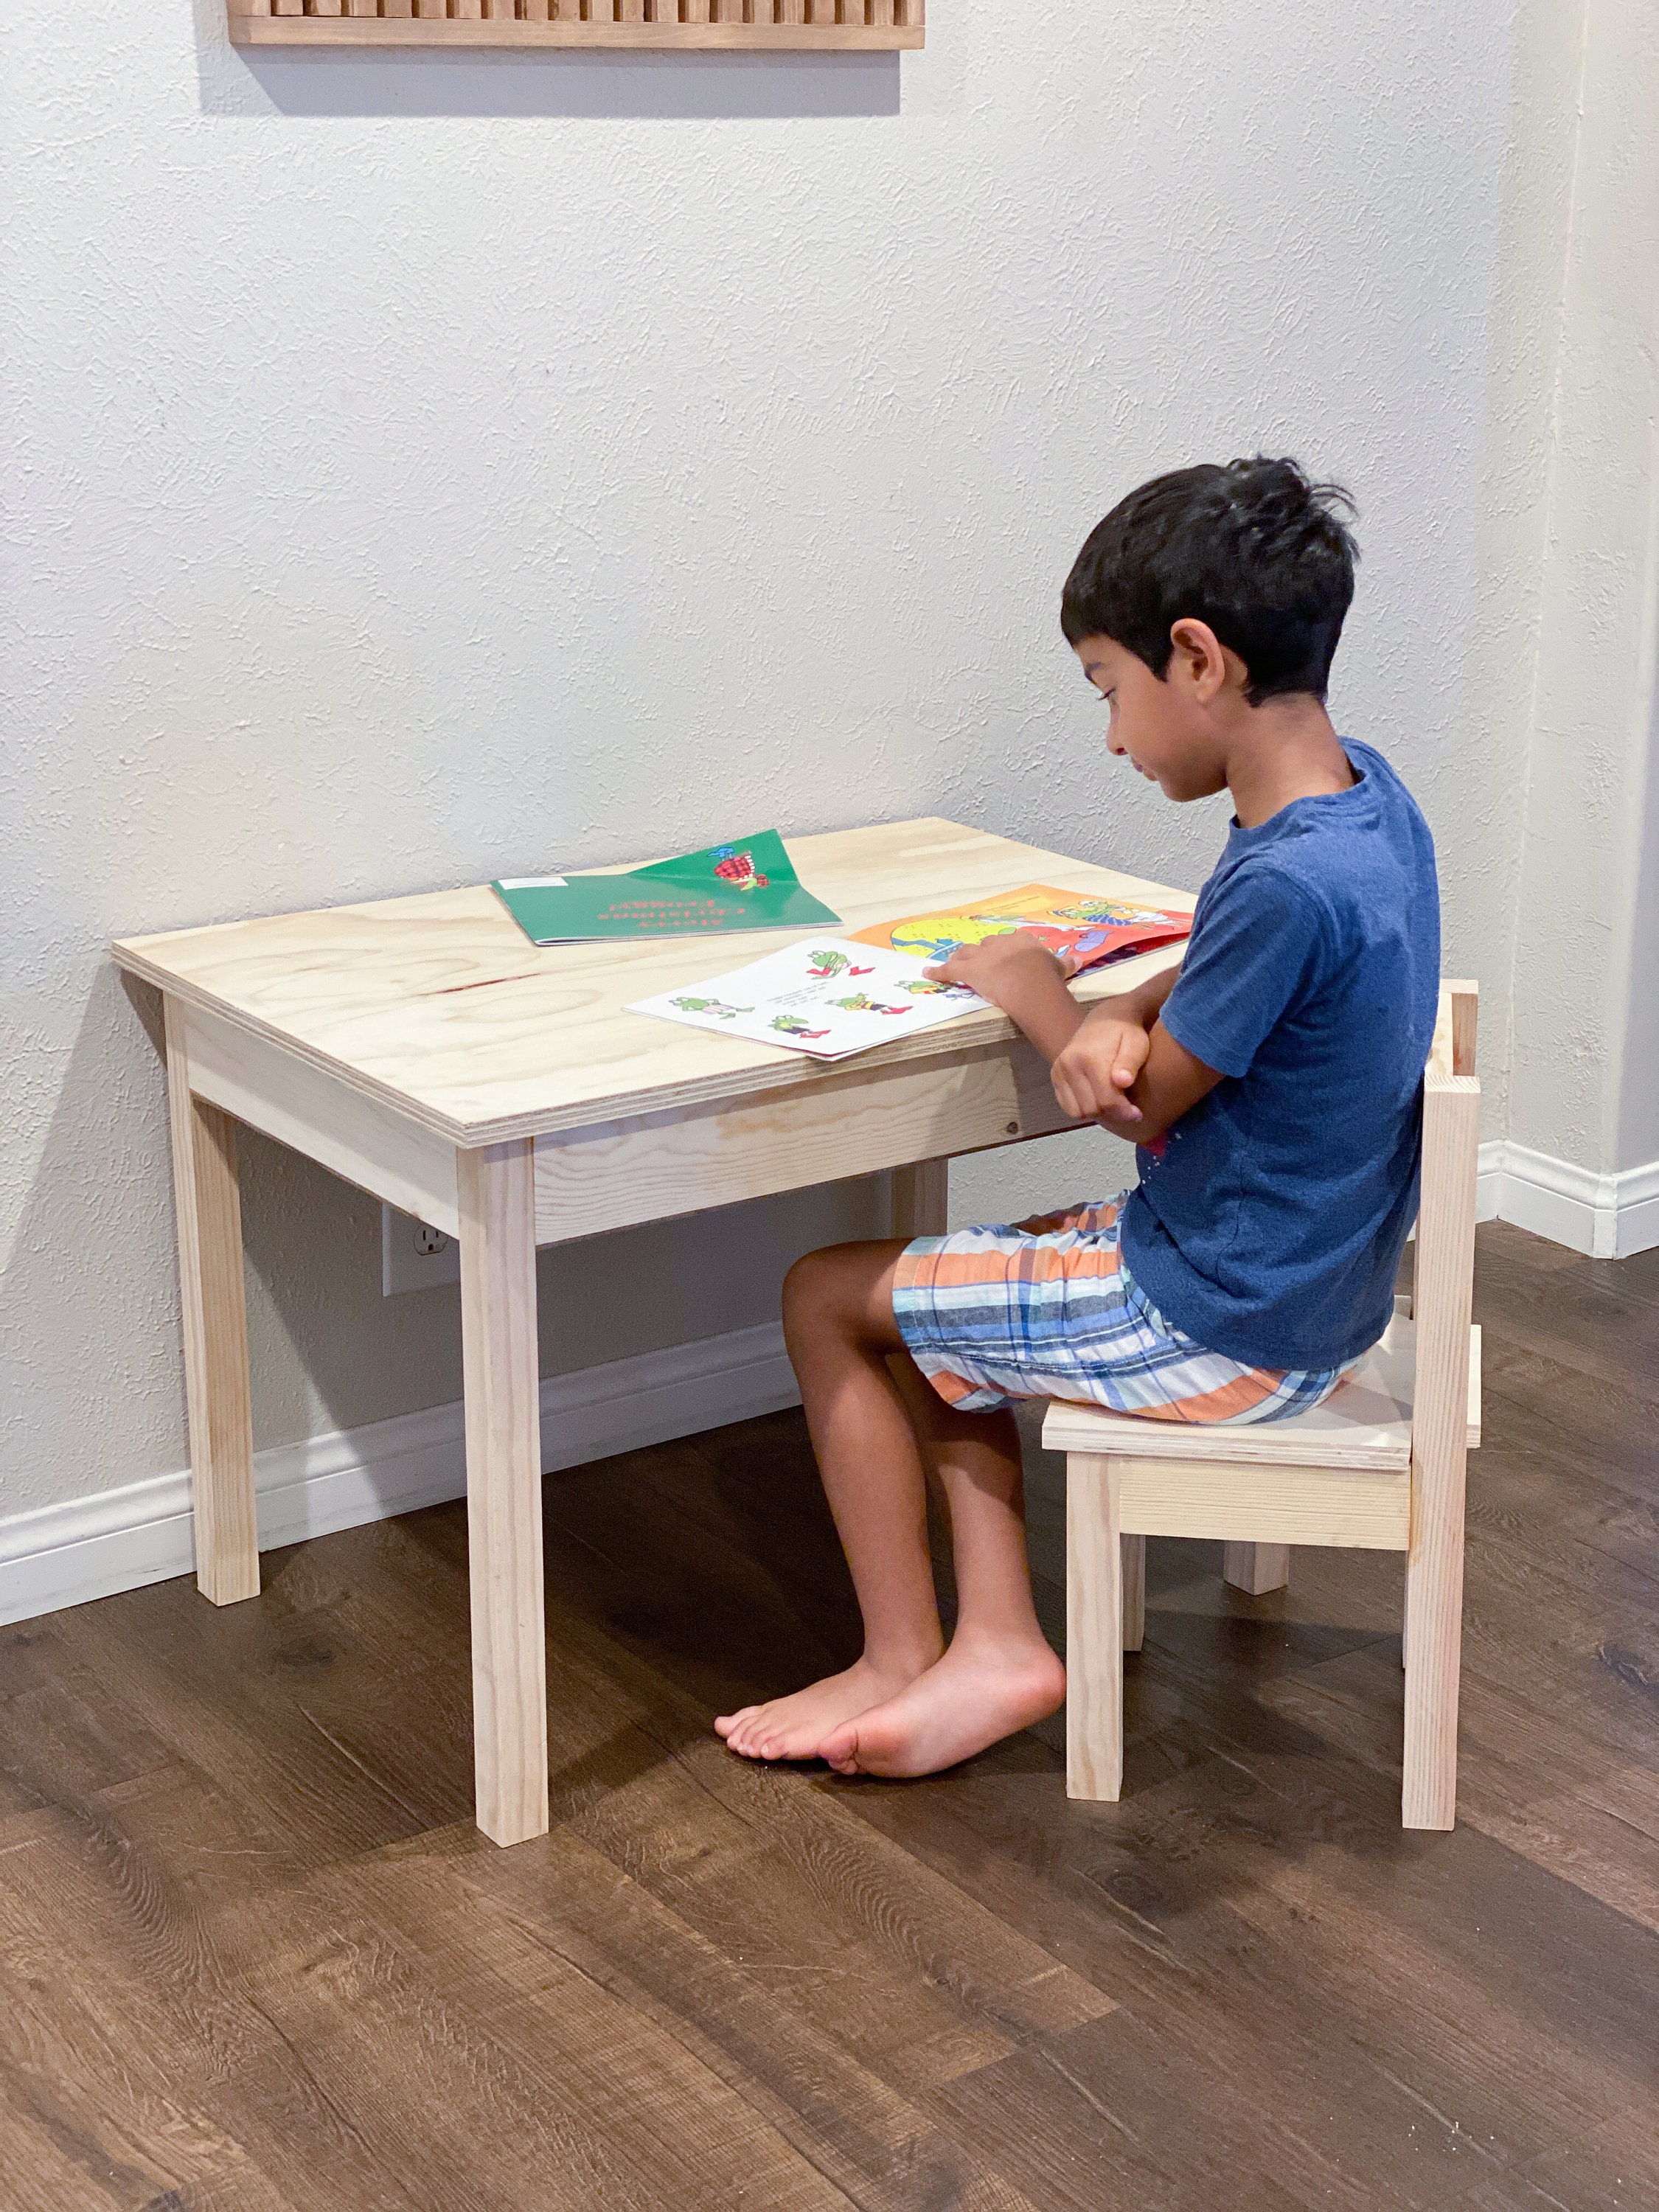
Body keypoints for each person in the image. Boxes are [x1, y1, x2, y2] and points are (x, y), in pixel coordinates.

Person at [715, 456, 1440, 1779]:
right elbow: (1245, 971)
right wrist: (1142, 996)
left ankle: (901, 1656)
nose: (1112, 737)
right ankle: (995, 1643)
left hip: (1219, 1315)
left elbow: (1128, 1108)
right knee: (949, 1293)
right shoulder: (1364, 808)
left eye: (1110, 693)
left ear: (1197, 659)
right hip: (1307, 1287)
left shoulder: (1284, 881)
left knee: (828, 1294)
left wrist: (1041, 990)